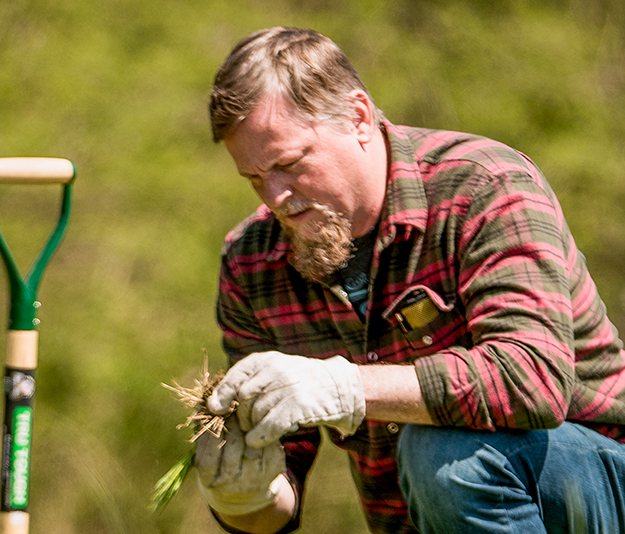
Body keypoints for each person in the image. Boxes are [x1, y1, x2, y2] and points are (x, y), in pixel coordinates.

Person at [192, 27, 625, 534]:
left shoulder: (484, 186)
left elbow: (532, 381)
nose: (276, 196)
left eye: (289, 164)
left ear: (357, 117)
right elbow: (280, 484)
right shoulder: (252, 262)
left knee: (442, 449)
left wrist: (347, 385)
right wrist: (244, 497)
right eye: (255, 177)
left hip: (598, 483)